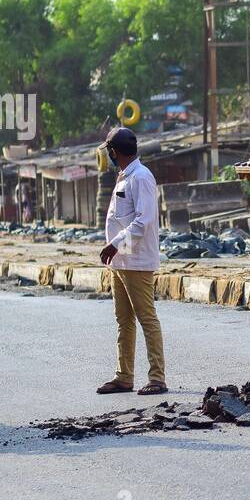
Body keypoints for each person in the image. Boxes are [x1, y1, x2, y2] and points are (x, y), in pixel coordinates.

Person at [95, 125, 167, 396]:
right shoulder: (125, 176)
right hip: (120, 262)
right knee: (123, 320)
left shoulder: (141, 177)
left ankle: (157, 378)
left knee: (147, 319)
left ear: (114, 152)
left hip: (136, 261)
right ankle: (124, 376)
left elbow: (144, 221)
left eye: (109, 152)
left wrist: (115, 243)